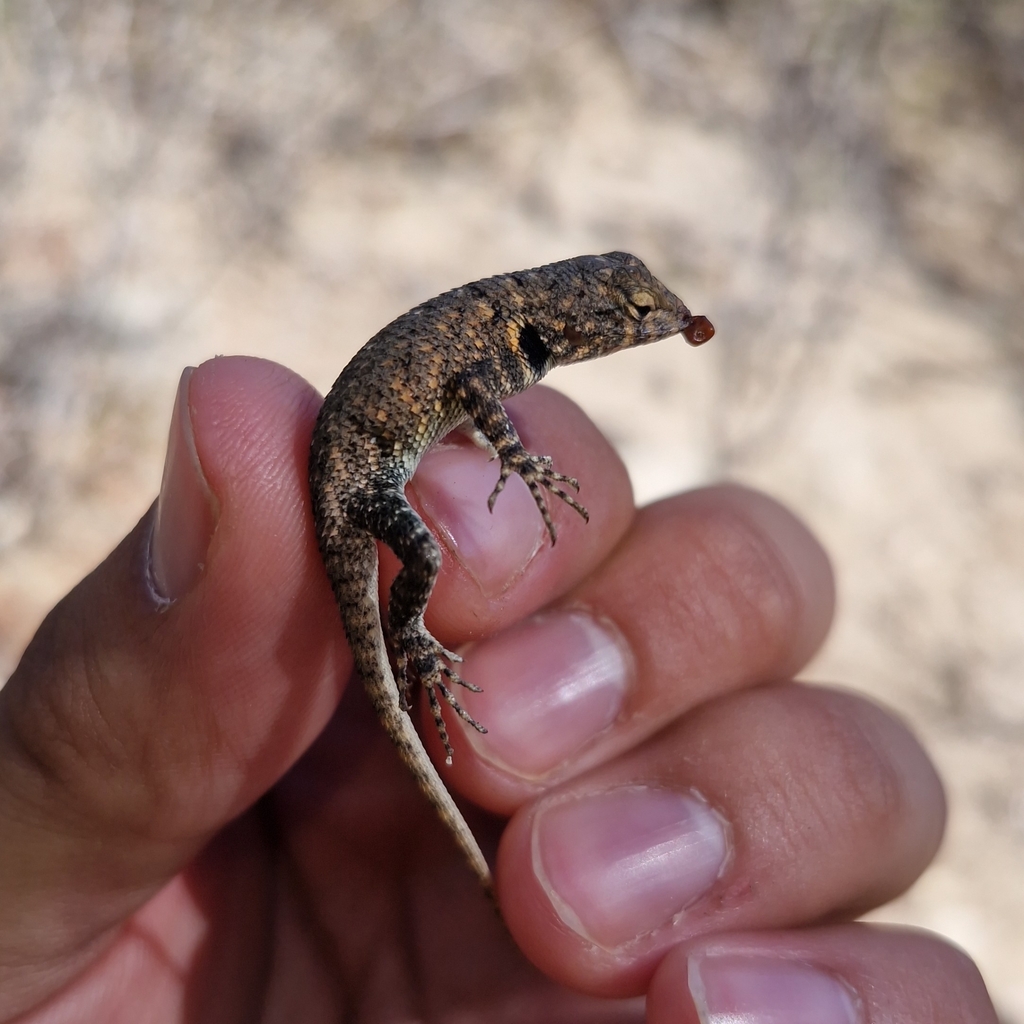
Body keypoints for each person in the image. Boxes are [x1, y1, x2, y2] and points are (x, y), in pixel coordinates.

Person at [0, 357, 997, 1023]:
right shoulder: (502, 347)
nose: (649, 327)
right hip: (360, 482)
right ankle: (422, 651)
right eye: (632, 317)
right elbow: (483, 398)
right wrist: (517, 458)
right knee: (427, 562)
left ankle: (422, 659)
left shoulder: (507, 336)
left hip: (369, 475)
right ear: (583, 328)